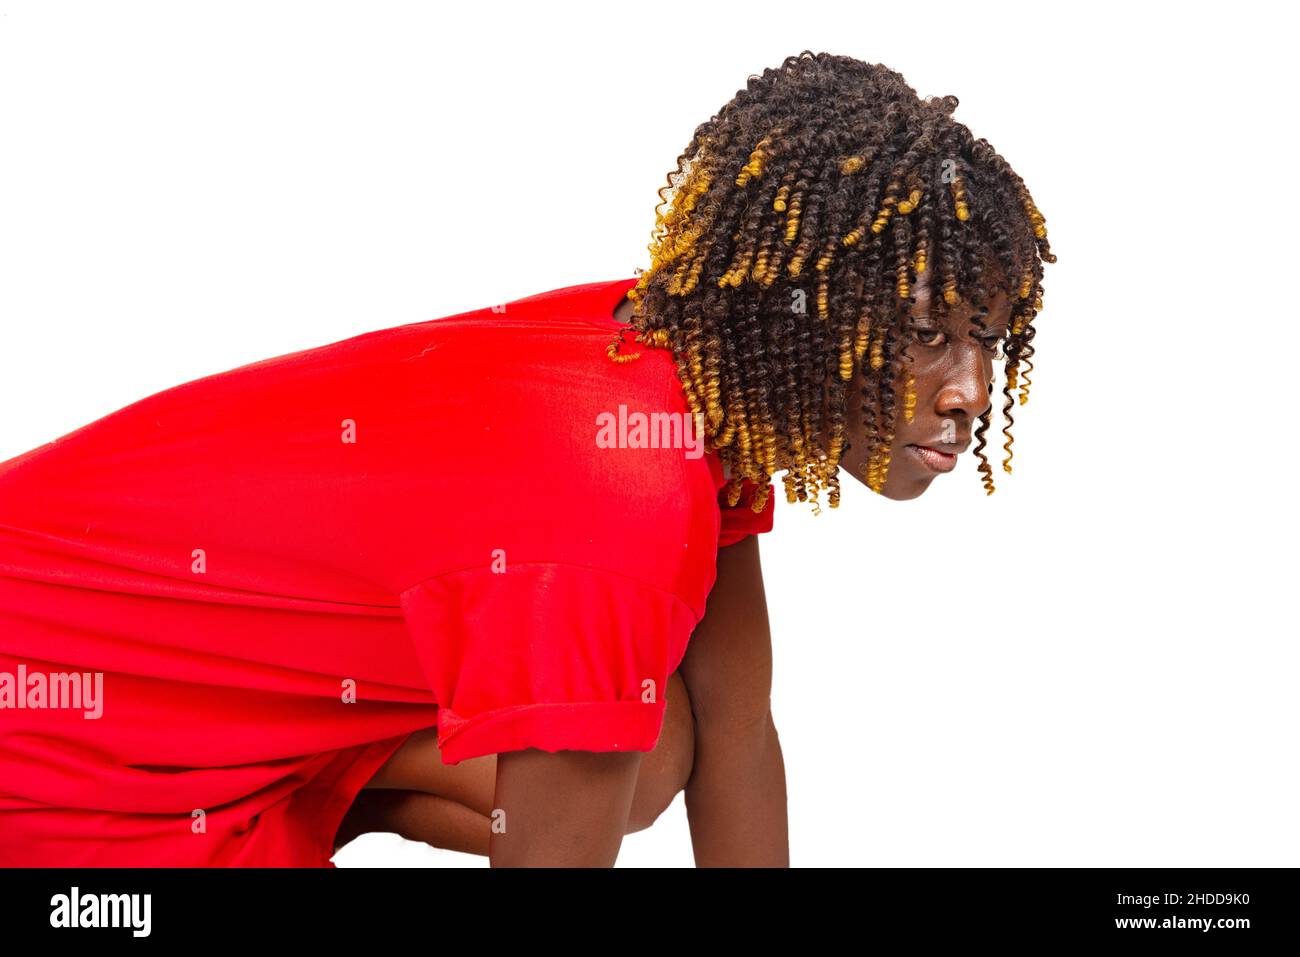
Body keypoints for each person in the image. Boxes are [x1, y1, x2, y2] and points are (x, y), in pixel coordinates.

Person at [0, 51, 1054, 867]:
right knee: (615, 736)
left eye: (988, 338)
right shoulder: (621, 498)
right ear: (801, 309)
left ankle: (302, 774)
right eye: (924, 335)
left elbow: (737, 725)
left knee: (657, 737)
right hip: (54, 730)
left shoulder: (686, 377)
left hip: (164, 664)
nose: (968, 388)